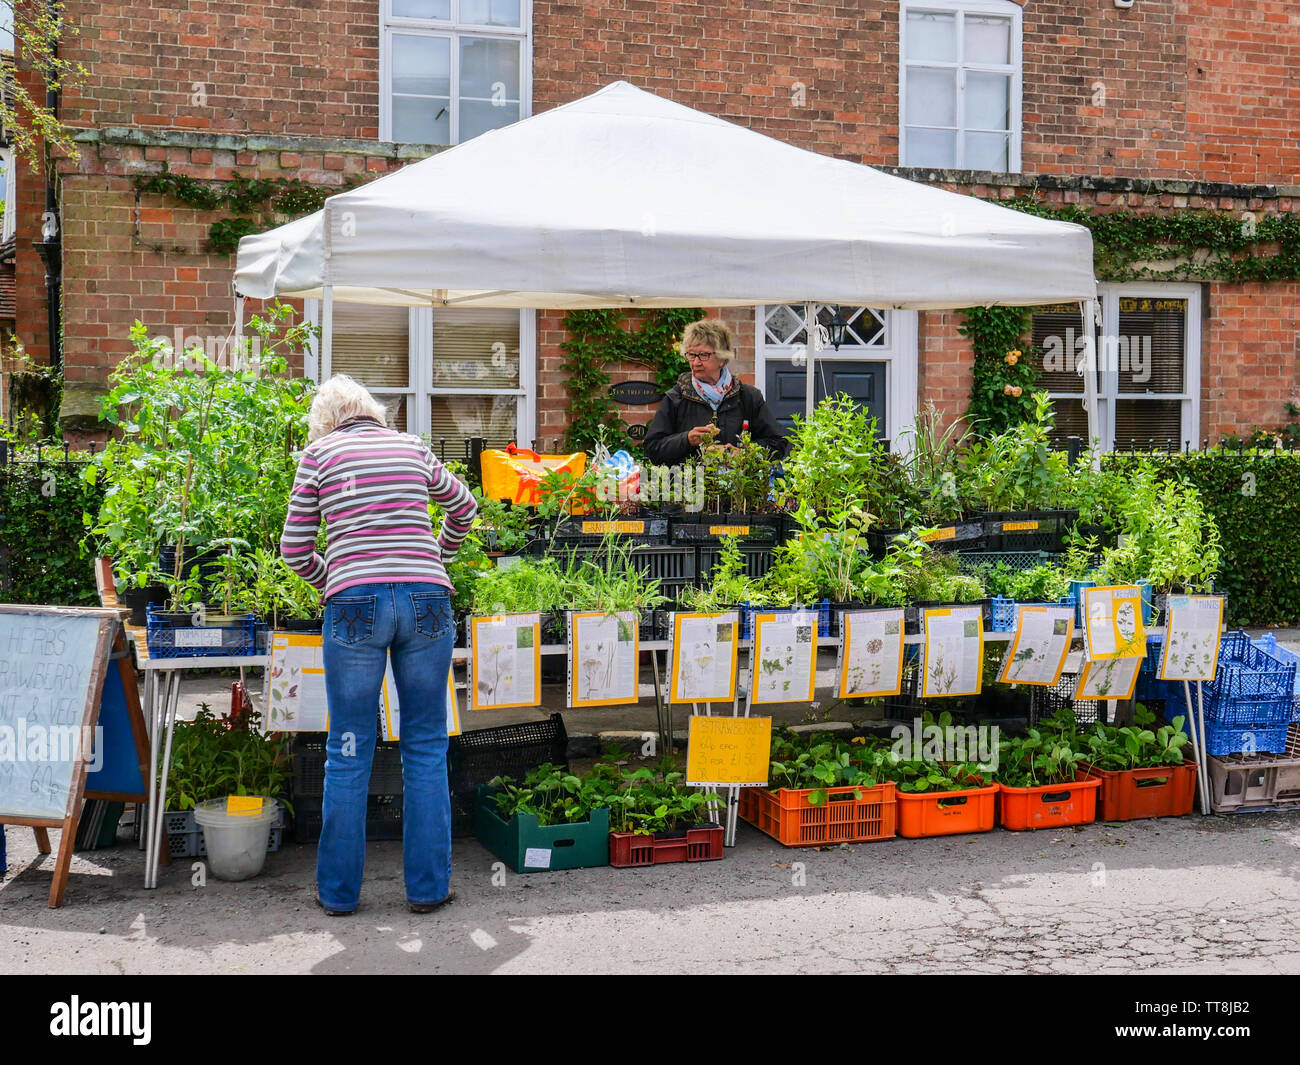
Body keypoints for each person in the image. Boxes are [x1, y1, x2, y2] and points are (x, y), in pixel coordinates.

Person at [280, 374, 477, 916]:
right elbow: (464, 507)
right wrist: (438, 554)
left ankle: (340, 895)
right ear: (374, 411)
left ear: (326, 420)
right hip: (427, 600)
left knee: (348, 745)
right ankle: (429, 889)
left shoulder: (319, 456)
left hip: (354, 605)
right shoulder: (412, 447)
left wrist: (333, 580)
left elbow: (294, 550)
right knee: (426, 743)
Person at [643, 319, 787, 465]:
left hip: (739, 486)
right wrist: (687, 439)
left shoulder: (749, 397)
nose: (695, 363)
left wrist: (745, 453)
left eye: (704, 355)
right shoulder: (676, 398)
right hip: (691, 486)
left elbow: (778, 444)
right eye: (691, 355)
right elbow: (652, 449)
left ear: (722, 359)